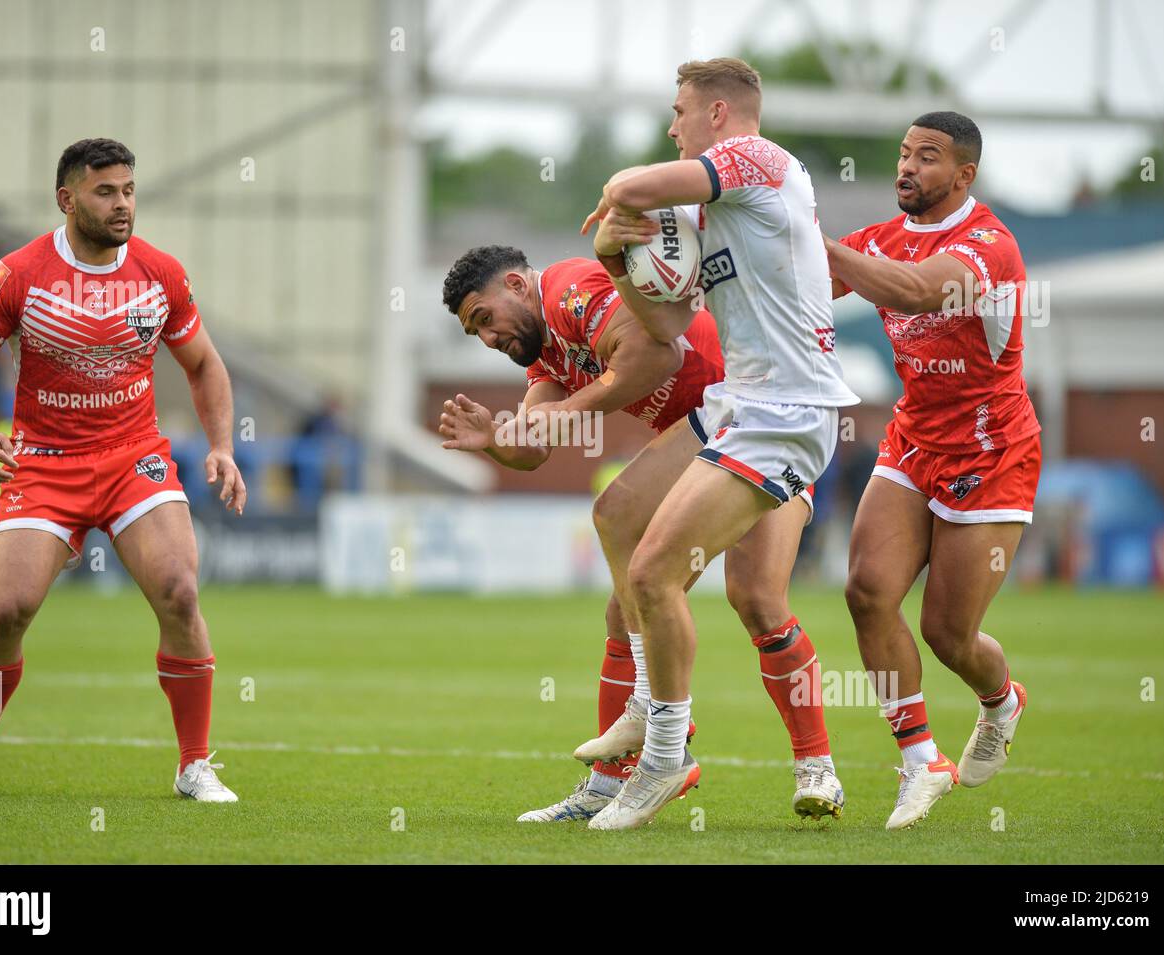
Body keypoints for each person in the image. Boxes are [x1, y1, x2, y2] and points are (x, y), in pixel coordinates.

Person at [440, 246, 845, 823]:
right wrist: (496, 440)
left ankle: (814, 768)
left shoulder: (569, 291)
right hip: (708, 440)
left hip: (755, 420)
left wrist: (572, 407)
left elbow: (658, 358)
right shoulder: (545, 357)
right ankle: (609, 783)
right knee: (626, 603)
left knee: (754, 598)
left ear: (516, 285)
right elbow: (534, 446)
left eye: (485, 319)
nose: (486, 339)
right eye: (473, 332)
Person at [0, 138, 246, 802]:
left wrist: (221, 446)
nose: (122, 203)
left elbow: (205, 363)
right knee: (8, 609)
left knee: (181, 592)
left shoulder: (161, 273)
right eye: (106, 191)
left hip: (135, 460)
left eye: (128, 189)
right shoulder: (18, 275)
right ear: (67, 199)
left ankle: (194, 765)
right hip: (44, 463)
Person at [579, 57, 859, 830]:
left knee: (680, 577)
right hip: (742, 405)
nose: (671, 126)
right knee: (624, 523)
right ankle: (654, 716)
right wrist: (612, 257)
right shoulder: (713, 208)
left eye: (678, 111)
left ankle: (669, 751)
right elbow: (666, 323)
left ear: (719, 114)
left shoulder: (758, 159)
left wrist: (613, 202)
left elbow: (634, 187)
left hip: (789, 411)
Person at [825, 112, 1038, 829]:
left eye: (927, 157)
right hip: (914, 437)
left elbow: (917, 290)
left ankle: (1001, 698)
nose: (907, 167)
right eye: (903, 154)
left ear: (964, 176)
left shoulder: (989, 245)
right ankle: (921, 760)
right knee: (866, 590)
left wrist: (810, 236)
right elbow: (802, 283)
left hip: (992, 449)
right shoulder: (881, 239)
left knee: (948, 634)